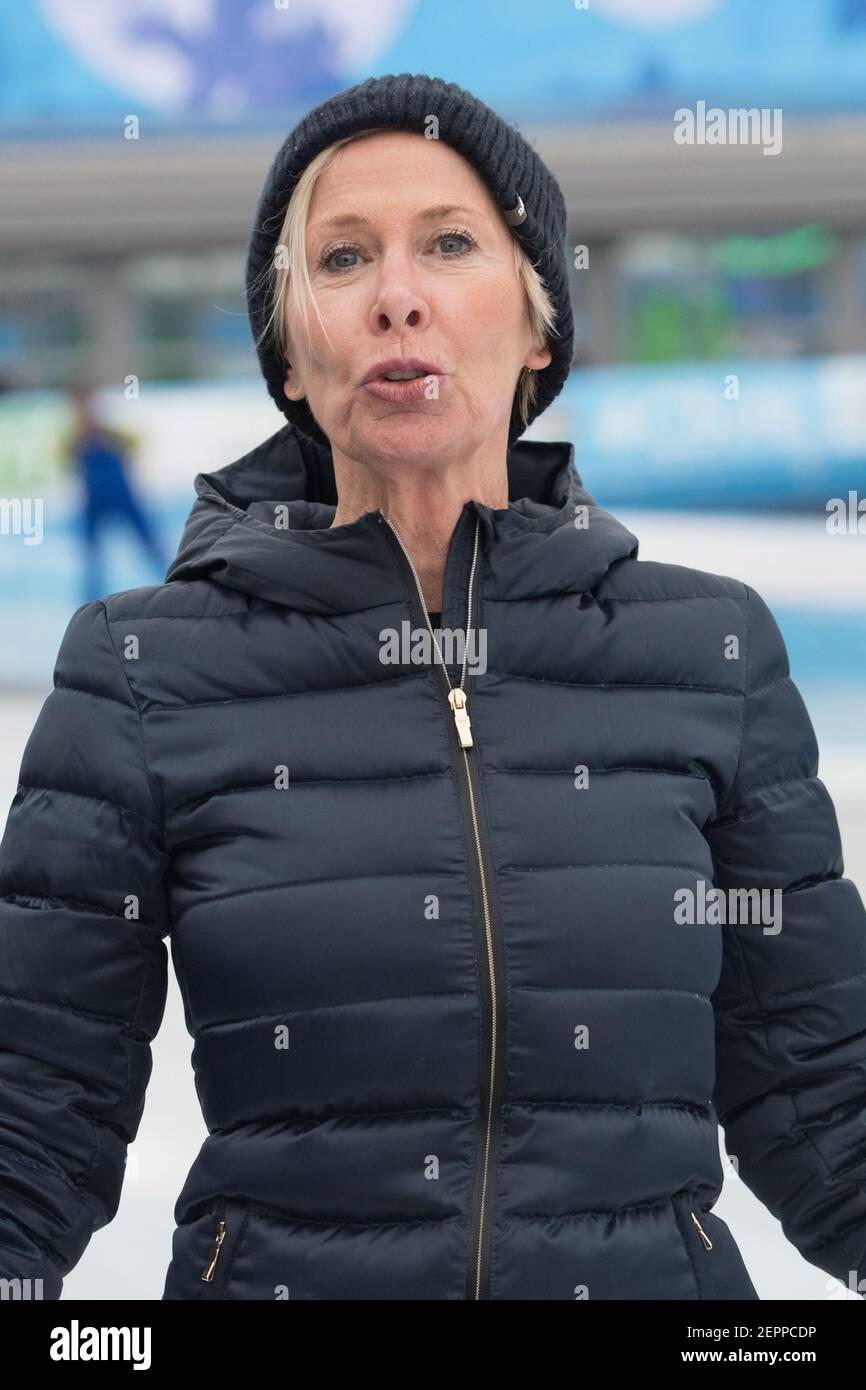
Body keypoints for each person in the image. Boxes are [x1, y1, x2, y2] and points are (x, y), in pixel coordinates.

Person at [0, 73, 865, 1302]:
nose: (396, 295)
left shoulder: (708, 648)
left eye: (450, 244)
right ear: (291, 356)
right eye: (342, 259)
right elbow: (33, 1109)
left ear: (538, 324)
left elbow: (821, 1085)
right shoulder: (142, 670)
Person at [62, 385, 167, 603]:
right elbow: (69, 465)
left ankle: (174, 581)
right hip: (95, 502)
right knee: (92, 557)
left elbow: (134, 446)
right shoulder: (74, 440)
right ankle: (91, 602)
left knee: (149, 546)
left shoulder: (112, 433)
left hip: (123, 498)